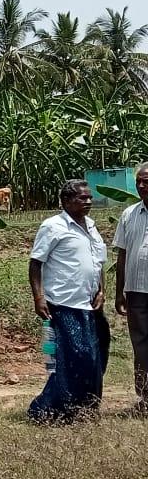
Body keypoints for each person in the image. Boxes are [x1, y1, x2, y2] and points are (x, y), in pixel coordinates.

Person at [28, 179, 106, 424]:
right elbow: (35, 263)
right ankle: (49, 409)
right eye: (82, 198)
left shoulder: (91, 226)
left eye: (89, 197)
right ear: (66, 201)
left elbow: (97, 262)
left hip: (90, 304)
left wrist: (101, 289)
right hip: (64, 303)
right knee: (73, 357)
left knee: (95, 357)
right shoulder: (53, 226)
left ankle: (85, 406)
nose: (89, 202)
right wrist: (38, 297)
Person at [114, 163, 148, 414]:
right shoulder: (129, 214)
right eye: (139, 182)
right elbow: (122, 255)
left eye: (146, 181)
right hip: (137, 292)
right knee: (141, 345)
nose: (142, 186)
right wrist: (119, 292)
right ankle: (145, 399)